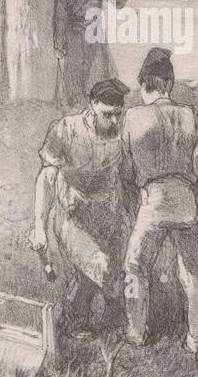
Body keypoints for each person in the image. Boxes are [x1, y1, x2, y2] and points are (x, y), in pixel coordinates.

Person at [28, 78, 134, 338]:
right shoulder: (66, 129)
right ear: (93, 104)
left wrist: (133, 216)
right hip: (73, 215)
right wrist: (39, 227)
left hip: (110, 212)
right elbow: (47, 178)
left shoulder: (122, 134)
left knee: (120, 272)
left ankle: (100, 320)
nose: (113, 122)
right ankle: (77, 321)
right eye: (107, 115)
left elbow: (128, 178)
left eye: (117, 115)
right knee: (98, 266)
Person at [122, 48, 198, 353]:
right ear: (169, 84)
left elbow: (126, 164)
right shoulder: (187, 114)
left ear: (145, 83)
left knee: (135, 266)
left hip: (155, 201)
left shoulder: (134, 116)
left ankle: (136, 333)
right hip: (186, 201)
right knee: (194, 272)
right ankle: (197, 339)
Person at [53, 0, 132, 108]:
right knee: (74, 83)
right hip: (74, 36)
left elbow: (117, 2)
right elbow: (60, 13)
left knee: (98, 83)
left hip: (95, 38)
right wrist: (59, 44)